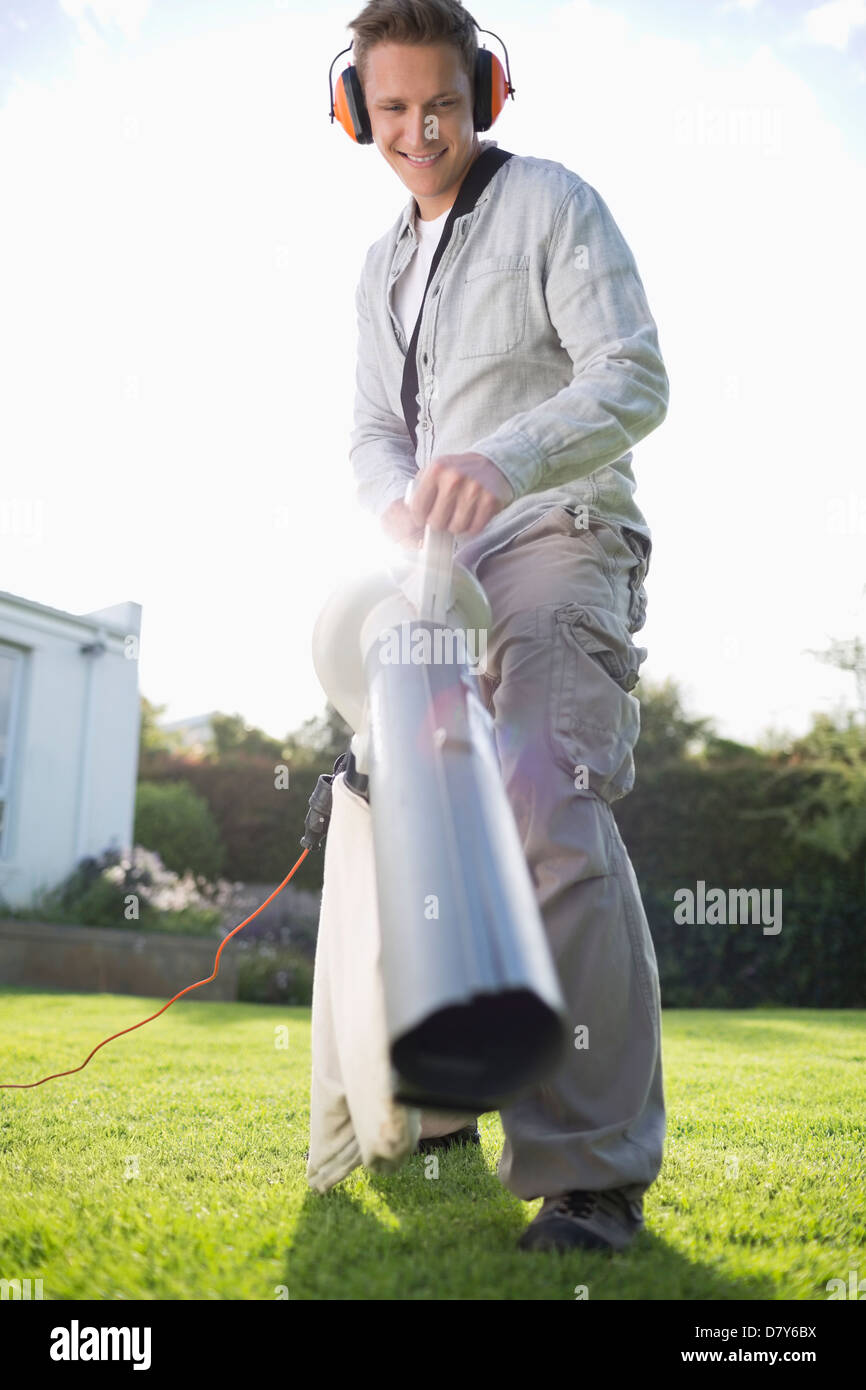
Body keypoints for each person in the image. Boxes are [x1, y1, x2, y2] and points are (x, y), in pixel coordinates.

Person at [343, 0, 669, 1253]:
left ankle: (589, 1174)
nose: (418, 130)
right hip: (434, 576)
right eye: (391, 110)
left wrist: (504, 452)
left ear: (482, 92)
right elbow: (372, 429)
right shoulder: (378, 271)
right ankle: (443, 1098)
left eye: (439, 103)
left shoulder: (552, 204)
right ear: (354, 112)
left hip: (559, 535)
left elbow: (632, 372)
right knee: (412, 830)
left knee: (544, 809)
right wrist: (396, 505)